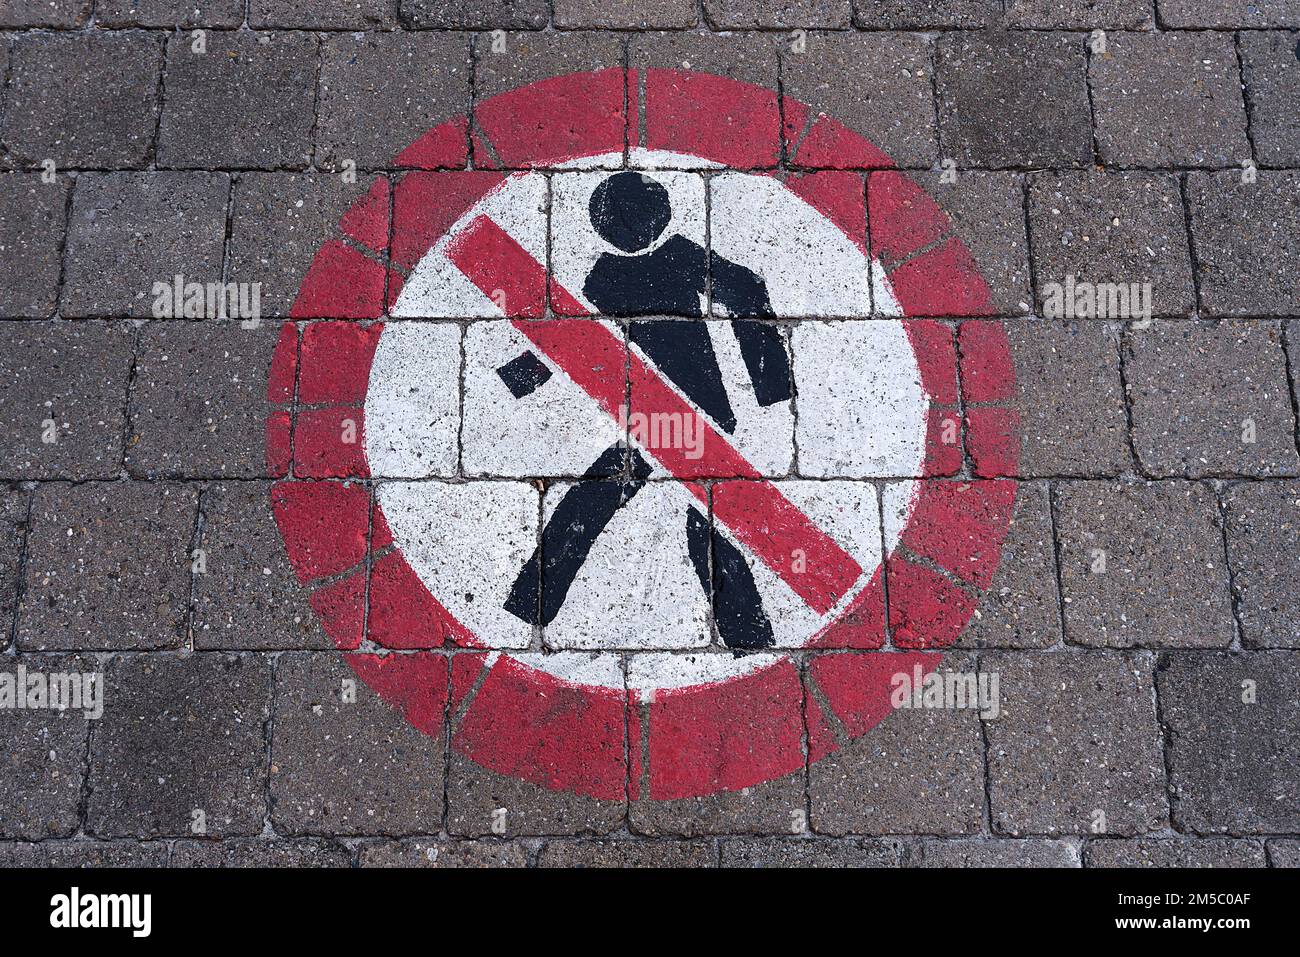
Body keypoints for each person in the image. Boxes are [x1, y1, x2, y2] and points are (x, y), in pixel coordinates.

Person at [504, 172, 791, 651]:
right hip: (673, 420)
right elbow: (748, 288)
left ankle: (531, 604)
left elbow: (563, 345)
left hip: (670, 420)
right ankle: (749, 635)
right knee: (694, 520)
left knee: (600, 505)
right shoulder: (651, 264)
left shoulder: (622, 272)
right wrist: (771, 382)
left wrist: (772, 385)